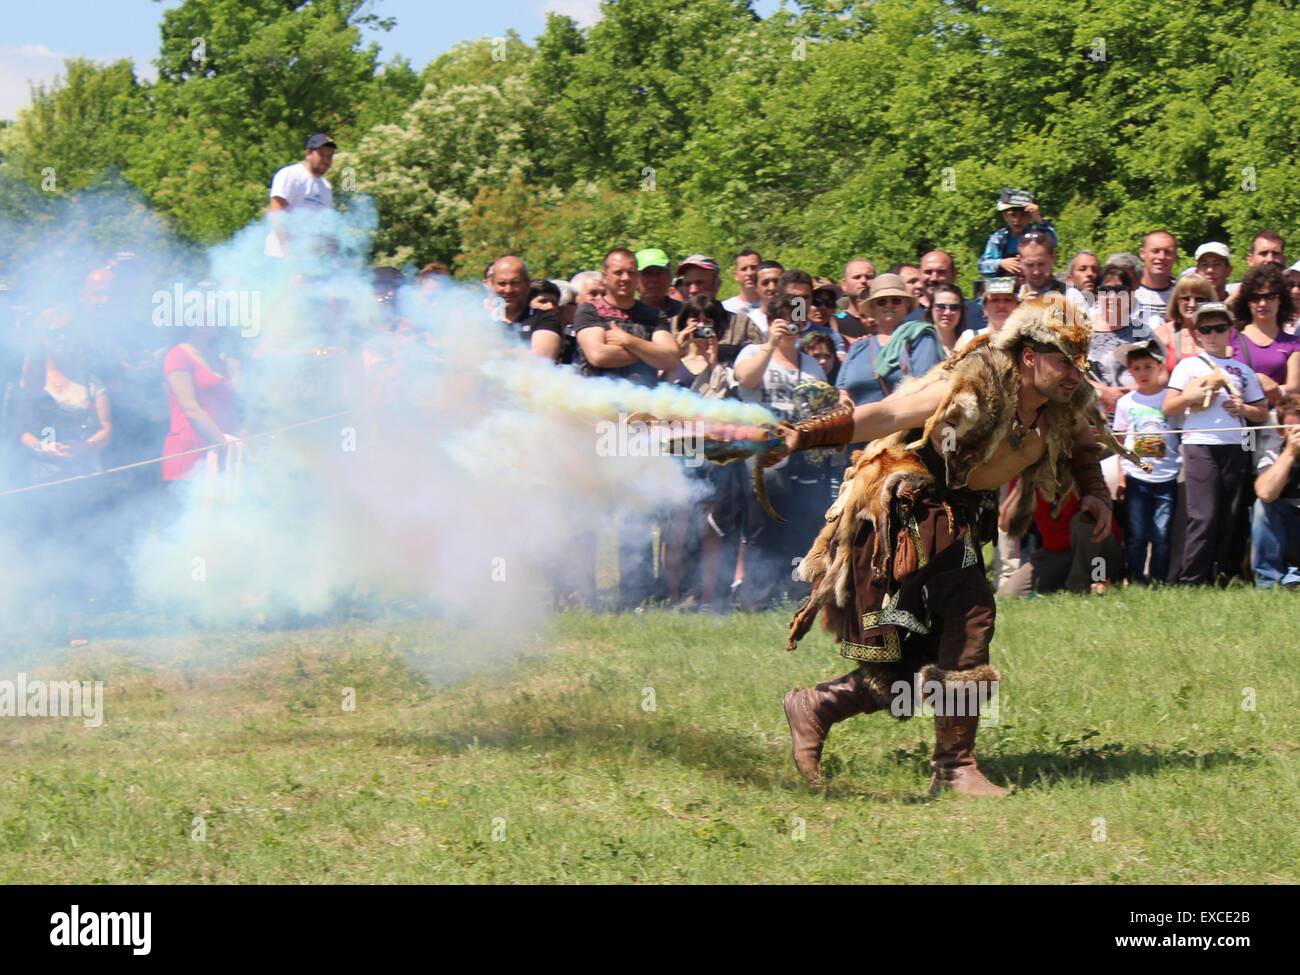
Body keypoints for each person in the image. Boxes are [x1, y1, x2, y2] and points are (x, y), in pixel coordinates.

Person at [778, 295, 1135, 796]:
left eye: (1079, 363)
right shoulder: (979, 383)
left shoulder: (1063, 402)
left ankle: (817, 706)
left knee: (911, 661)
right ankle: (954, 767)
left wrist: (1095, 493)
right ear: (1029, 356)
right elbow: (889, 412)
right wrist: (809, 435)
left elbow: (1081, 443)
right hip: (907, 506)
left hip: (957, 517)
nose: (1074, 373)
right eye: (1062, 361)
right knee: (970, 614)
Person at [733, 295, 830, 610]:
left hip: (801, 452)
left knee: (798, 521)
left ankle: (790, 591)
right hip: (762, 452)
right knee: (761, 524)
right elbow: (745, 378)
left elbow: (821, 408)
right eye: (786, 318)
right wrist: (771, 343)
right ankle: (756, 595)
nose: (792, 325)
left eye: (797, 319)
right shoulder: (755, 351)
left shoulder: (811, 363)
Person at [1164, 302, 1269, 585]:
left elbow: (1262, 411)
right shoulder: (1188, 365)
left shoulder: (1242, 370)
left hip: (1236, 445)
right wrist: (1192, 396)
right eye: (1205, 329)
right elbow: (1169, 407)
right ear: (1197, 333)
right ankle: (1191, 579)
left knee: (1230, 513)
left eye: (1219, 328)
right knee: (1203, 514)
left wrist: (1243, 409)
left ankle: (1223, 574)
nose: (1212, 334)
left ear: (1230, 331)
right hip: (1200, 442)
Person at [1112, 340, 1181, 585]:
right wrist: (1121, 477)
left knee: (1161, 534)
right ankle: (1135, 578)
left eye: (1148, 367)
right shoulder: (1126, 402)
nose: (1143, 373)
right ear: (1129, 371)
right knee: (1137, 533)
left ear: (1159, 367)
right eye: (1137, 368)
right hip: (1136, 477)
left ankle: (1160, 579)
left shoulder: (1170, 400)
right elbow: (1119, 443)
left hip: (1166, 477)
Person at [835, 274, 942, 410]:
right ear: (873, 308)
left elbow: (925, 386)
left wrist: (875, 413)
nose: (889, 305)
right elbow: (841, 391)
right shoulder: (858, 347)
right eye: (881, 302)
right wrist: (845, 402)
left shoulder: (920, 337)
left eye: (896, 300)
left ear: (906, 305)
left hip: (904, 426)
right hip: (860, 427)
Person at [998, 481, 1124, 597]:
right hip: (1055, 554)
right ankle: (1072, 582)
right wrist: (1025, 483)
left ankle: (1090, 583)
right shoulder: (1028, 477)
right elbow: (1006, 525)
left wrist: (1076, 487)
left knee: (1085, 522)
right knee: (1009, 594)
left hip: (1099, 554)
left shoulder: (1082, 468)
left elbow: (1102, 511)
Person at [573, 249, 678, 387]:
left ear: (637, 277)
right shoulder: (590, 310)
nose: (626, 278)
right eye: (618, 272)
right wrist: (649, 353)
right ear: (605, 277)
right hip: (599, 403)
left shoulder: (654, 315)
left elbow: (670, 359)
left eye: (631, 272)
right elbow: (598, 356)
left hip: (643, 403)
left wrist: (628, 341)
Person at [1086, 262, 1159, 420]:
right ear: (1097, 295)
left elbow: (1162, 372)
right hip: (1091, 420)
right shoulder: (1081, 332)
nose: (1113, 296)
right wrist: (1102, 391)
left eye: (1119, 290)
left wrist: (1131, 391)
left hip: (1135, 416)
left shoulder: (1143, 332)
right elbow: (1070, 373)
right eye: (1106, 290)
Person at [1227, 264, 1300, 407]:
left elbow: (1295, 388)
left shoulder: (1294, 344)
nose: (1262, 303)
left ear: (1280, 299)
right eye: (1255, 297)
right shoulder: (1231, 337)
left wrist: (1277, 390)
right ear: (1247, 302)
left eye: (1270, 297)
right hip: (1239, 419)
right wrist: (1255, 380)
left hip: (1274, 422)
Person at [674, 254, 764, 363]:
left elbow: (761, 362)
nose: (693, 290)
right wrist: (676, 351)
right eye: (688, 284)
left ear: (717, 284)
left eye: (699, 283)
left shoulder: (742, 324)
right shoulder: (674, 325)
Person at [1252, 393, 1300, 588]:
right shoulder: (1274, 454)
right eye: (1293, 429)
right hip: (1289, 529)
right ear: (1281, 432)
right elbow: (1265, 492)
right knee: (1263, 505)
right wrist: (1290, 453)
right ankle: (1269, 582)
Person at [265, 133, 336, 258]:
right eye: (322, 154)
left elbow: (327, 226)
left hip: (308, 260)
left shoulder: (326, 187)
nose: (326, 160)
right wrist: (290, 253)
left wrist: (335, 258)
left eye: (330, 156)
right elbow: (276, 214)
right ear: (308, 153)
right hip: (281, 256)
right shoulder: (291, 175)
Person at [490, 256, 563, 361]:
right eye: (502, 284)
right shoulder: (480, 319)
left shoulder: (545, 318)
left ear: (527, 285)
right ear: (492, 285)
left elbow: (541, 360)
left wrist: (487, 352)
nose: (508, 290)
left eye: (515, 283)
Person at [978, 188, 1058, 278]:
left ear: (1030, 217)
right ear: (1005, 216)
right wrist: (1001, 263)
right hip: (1005, 284)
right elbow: (982, 266)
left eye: (1023, 215)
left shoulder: (1036, 236)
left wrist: (1039, 220)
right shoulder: (998, 238)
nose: (1017, 220)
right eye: (1013, 215)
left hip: (1035, 279)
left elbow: (1053, 242)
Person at [1154, 273, 1215, 373]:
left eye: (1199, 299)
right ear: (1177, 300)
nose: (1192, 304)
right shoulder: (1163, 333)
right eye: (1186, 298)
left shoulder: (1218, 332)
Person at [955, 277, 1019, 351]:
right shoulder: (969, 338)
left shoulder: (1026, 340)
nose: (1001, 305)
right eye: (994, 300)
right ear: (984, 308)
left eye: (1008, 300)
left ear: (1017, 306)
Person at [1133, 230, 1178, 327]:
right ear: (1142, 253)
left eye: (1168, 252)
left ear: (1175, 256)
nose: (1161, 257)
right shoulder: (1128, 292)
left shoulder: (1182, 295)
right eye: (1155, 251)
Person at [722, 249, 766, 332]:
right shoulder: (725, 308)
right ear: (736, 275)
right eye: (744, 269)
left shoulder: (772, 306)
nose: (749, 273)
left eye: (754, 268)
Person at [835, 258, 875, 341]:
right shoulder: (835, 322)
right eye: (857, 277)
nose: (863, 281)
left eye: (869, 277)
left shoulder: (885, 320)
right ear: (844, 285)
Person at [636, 248, 682, 318]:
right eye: (647, 273)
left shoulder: (685, 312)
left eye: (659, 272)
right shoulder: (627, 316)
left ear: (669, 276)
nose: (654, 279)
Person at [927, 283, 967, 356]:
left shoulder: (969, 344)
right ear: (931, 309)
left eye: (954, 307)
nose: (947, 312)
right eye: (941, 306)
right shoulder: (919, 343)